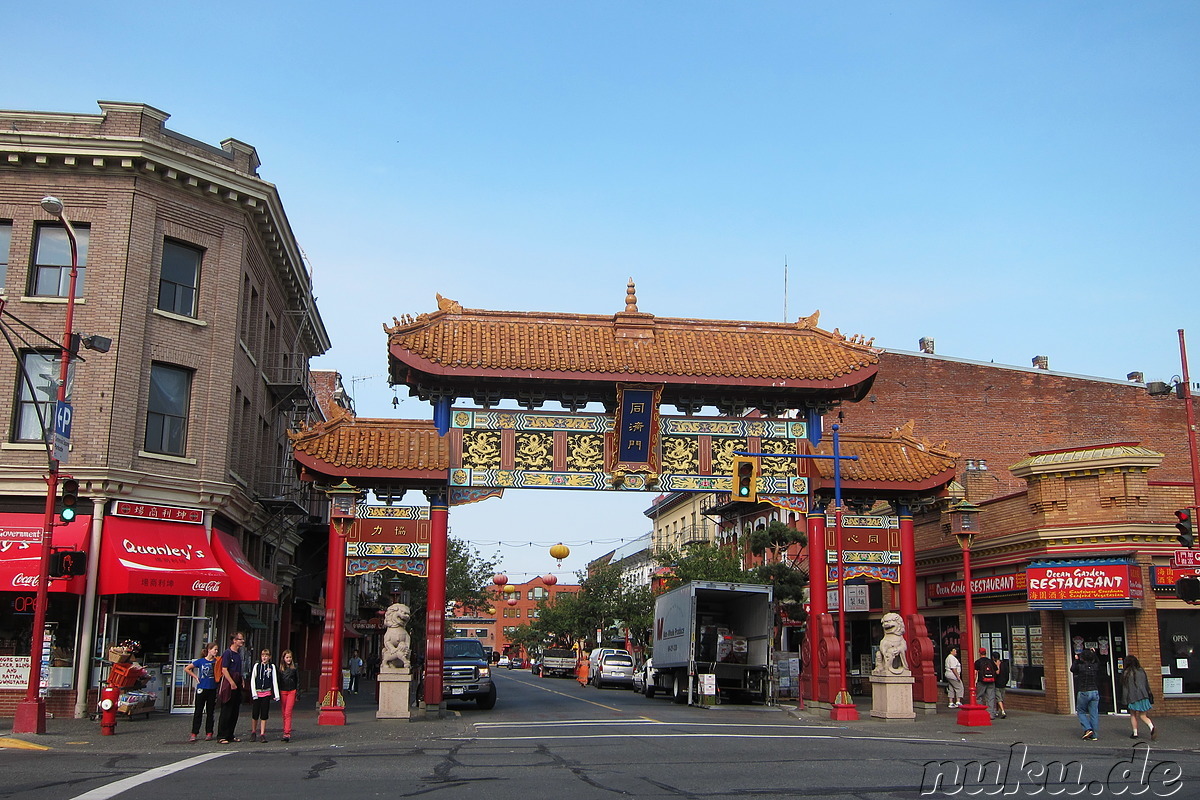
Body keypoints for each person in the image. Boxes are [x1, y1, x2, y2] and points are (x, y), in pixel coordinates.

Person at [184, 642, 220, 742]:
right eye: (214, 649)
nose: (216, 651)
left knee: (210, 711)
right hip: (202, 688)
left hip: (212, 688)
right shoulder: (201, 661)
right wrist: (196, 677)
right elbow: (187, 668)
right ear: (209, 650)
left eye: (217, 650)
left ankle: (209, 732)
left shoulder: (217, 661)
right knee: (198, 711)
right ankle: (194, 732)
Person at [217, 632, 246, 744]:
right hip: (229, 682)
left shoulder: (238, 654)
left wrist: (241, 680)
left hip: (237, 680)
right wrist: (232, 682)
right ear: (234, 640)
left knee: (235, 710)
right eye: (240, 639)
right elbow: (224, 669)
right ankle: (221, 735)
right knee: (227, 709)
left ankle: (230, 734)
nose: (242, 641)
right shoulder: (227, 653)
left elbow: (239, 669)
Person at [1121, 654, 1157, 741]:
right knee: (1143, 715)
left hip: (1132, 697)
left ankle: (1135, 733)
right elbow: (1146, 684)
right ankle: (1151, 727)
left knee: (1133, 715)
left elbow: (1125, 688)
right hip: (1144, 695)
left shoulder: (1126, 673)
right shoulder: (1141, 671)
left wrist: (1124, 700)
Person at [249, 648, 280, 743]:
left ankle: (262, 733)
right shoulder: (257, 666)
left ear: (269, 657)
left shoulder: (272, 667)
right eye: (263, 655)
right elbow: (252, 680)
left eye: (266, 656)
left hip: (266, 693)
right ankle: (253, 731)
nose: (264, 657)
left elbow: (274, 680)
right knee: (255, 713)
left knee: (264, 714)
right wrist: (254, 693)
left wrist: (276, 694)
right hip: (257, 693)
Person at [1072, 648, 1101, 740]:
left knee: (1081, 711)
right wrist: (1094, 654)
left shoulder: (1080, 667)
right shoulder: (1095, 666)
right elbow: (1098, 662)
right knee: (1094, 713)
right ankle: (1094, 735)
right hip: (1095, 691)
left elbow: (1072, 669)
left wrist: (1076, 660)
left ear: (1082, 658)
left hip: (1084, 691)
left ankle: (1088, 729)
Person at [277, 649, 299, 743]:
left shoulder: (294, 668)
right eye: (287, 657)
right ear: (284, 658)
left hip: (292, 691)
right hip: (283, 691)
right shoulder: (280, 669)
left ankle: (287, 733)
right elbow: (278, 681)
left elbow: (298, 681)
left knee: (288, 712)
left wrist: (298, 693)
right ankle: (285, 730)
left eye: (290, 657)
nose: (289, 659)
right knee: (284, 712)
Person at [974, 647, 998, 718]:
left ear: (979, 653)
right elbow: (997, 671)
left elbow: (975, 673)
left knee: (979, 697)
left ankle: (980, 713)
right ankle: (990, 714)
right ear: (986, 652)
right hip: (991, 681)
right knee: (990, 697)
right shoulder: (990, 661)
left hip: (982, 681)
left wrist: (974, 682)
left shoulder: (978, 662)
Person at [992, 651, 1010, 719]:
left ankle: (1002, 711)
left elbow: (997, 673)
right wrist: (1006, 682)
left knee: (999, 698)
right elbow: (1007, 673)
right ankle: (997, 711)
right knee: (1000, 698)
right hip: (1003, 684)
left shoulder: (994, 664)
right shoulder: (1004, 664)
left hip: (997, 684)